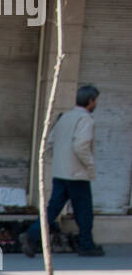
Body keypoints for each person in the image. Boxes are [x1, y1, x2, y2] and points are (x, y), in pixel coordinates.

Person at [22, 85, 104, 258]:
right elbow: (81, 146)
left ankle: (31, 235)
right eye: (95, 100)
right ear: (90, 101)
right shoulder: (86, 119)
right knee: (84, 212)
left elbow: (50, 143)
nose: (96, 104)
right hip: (77, 174)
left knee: (52, 209)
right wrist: (90, 166)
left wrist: (60, 161)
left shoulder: (65, 117)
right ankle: (86, 245)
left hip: (60, 173)